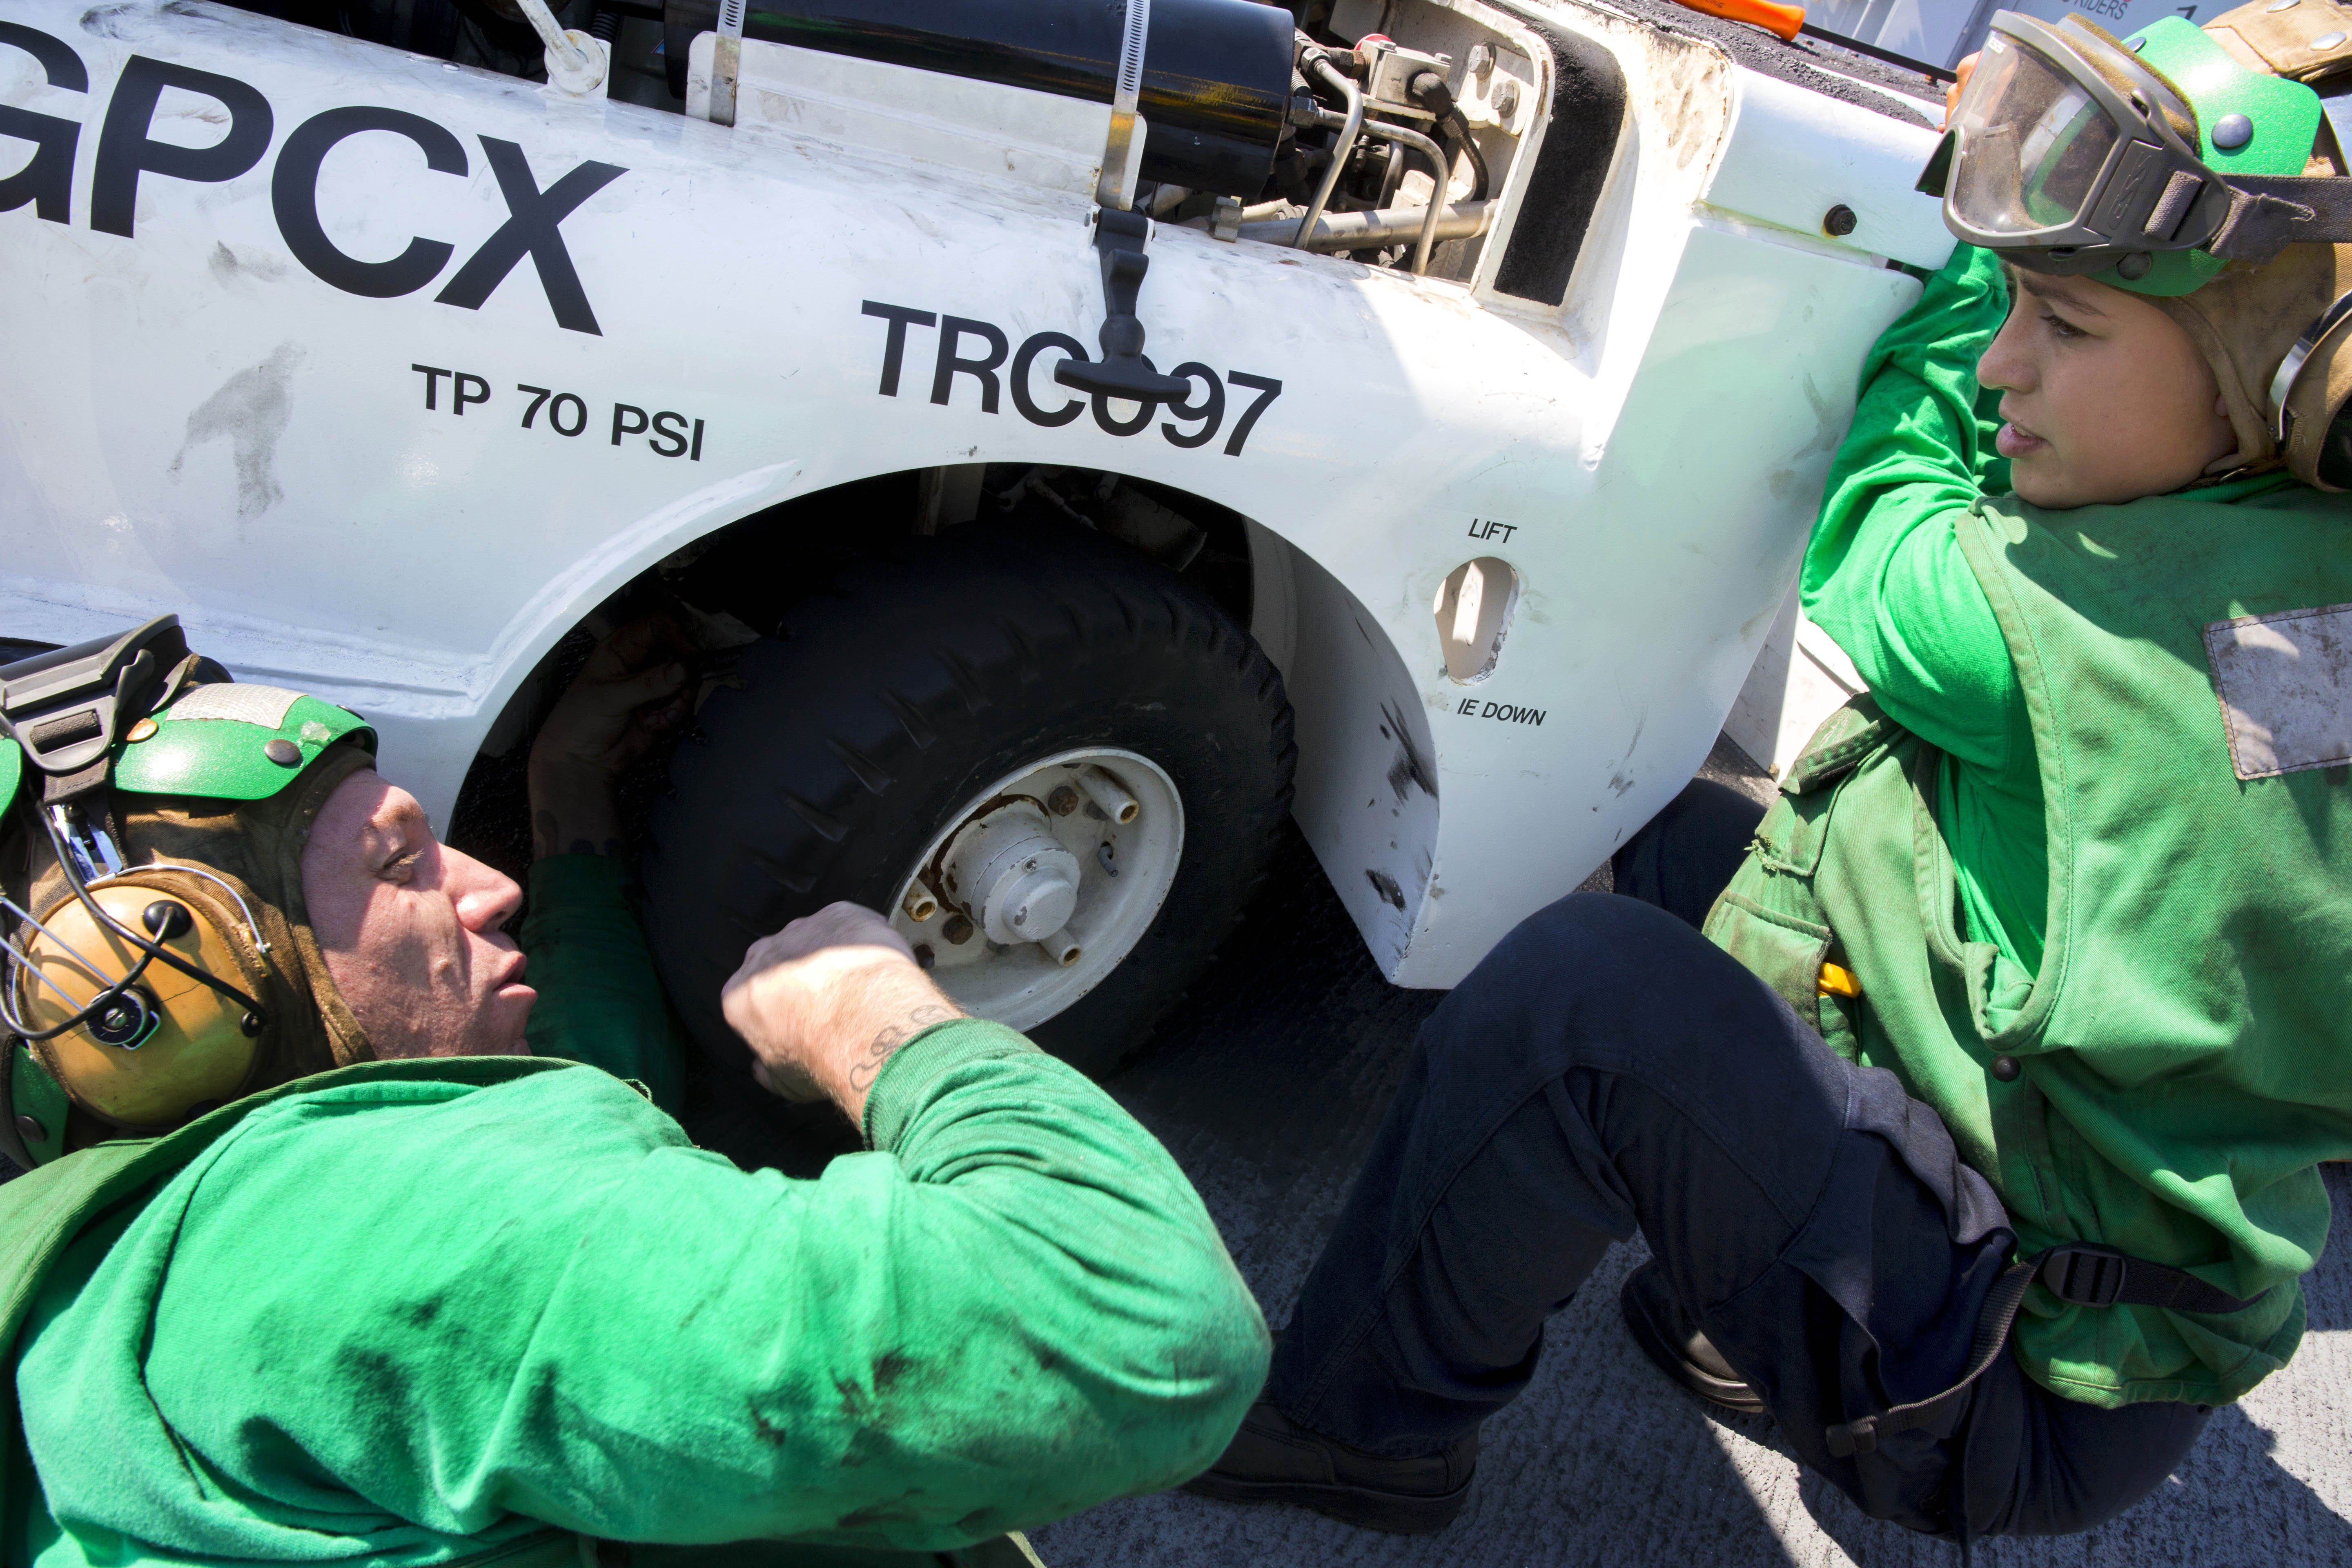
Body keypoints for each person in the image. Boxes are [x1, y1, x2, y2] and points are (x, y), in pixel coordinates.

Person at [1185, 6, 2352, 1546]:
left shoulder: (2046, 626)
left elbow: (1884, 506)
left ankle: (1364, 1430)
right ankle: (1745, 1323)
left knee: (1585, 997)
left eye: (2063, 327)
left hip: (2006, 1383)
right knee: (1682, 849)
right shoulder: (2289, 557)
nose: (2011, 364)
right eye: (2011, 310)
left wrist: (1947, 290)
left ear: (2271, 375)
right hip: (2076, 1259)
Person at [0, 615, 1267, 1567]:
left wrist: (578, 821)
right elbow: (1145, 1324)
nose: (481, 884)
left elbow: (559, 1104)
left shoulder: (177, 1239)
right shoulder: (372, 1232)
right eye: (401, 863)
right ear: (152, 1000)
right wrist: (876, 1018)